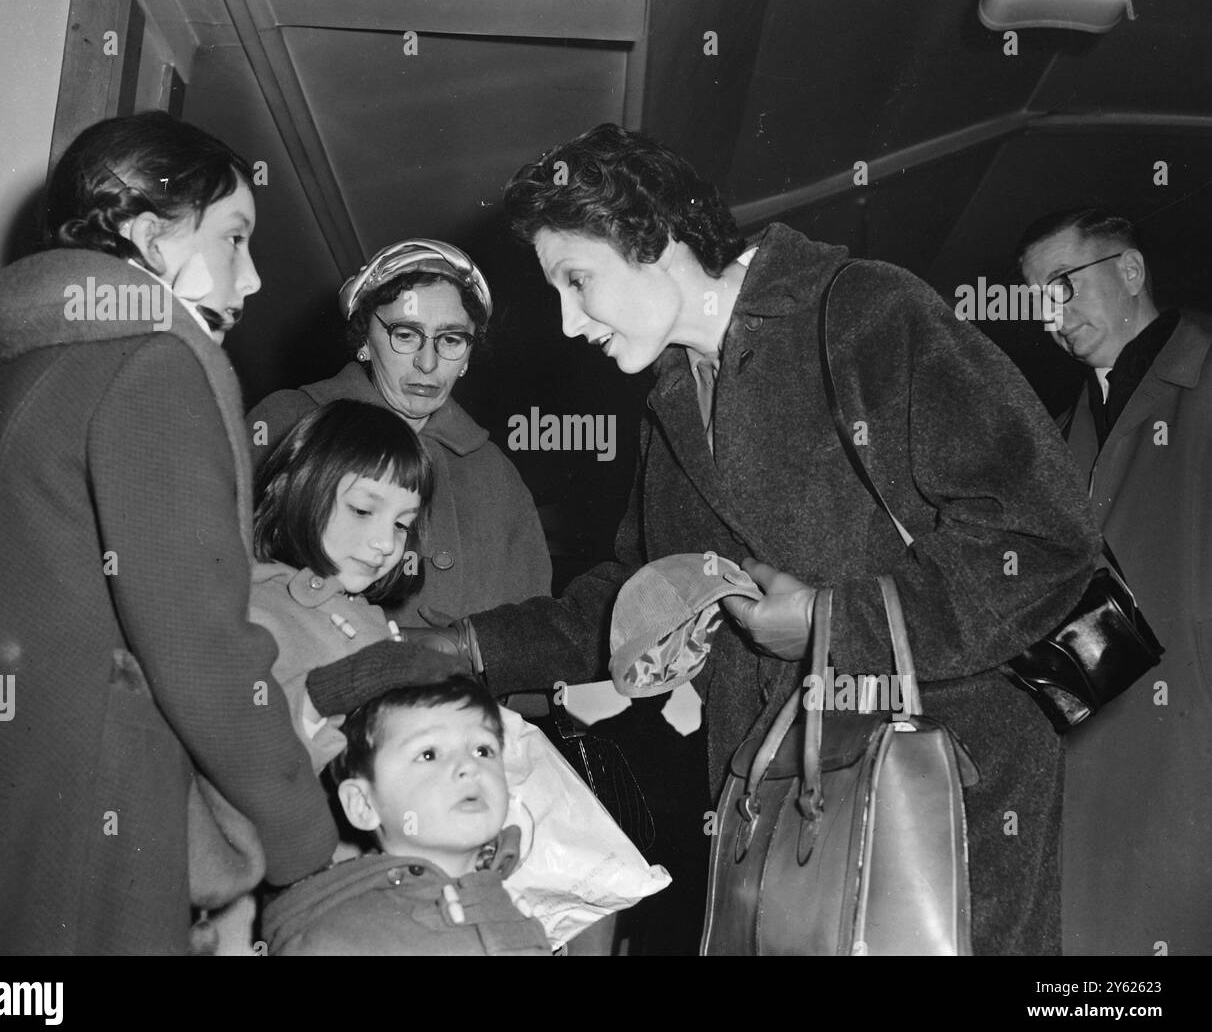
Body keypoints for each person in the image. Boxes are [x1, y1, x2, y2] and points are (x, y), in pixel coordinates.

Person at [421, 123, 1100, 954]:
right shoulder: (675, 400)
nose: (568, 322)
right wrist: (459, 648)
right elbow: (629, 595)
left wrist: (830, 621)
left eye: (577, 280)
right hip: (780, 804)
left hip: (936, 793)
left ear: (654, 237)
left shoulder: (863, 314)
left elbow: (1044, 533)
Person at [0, 111, 340, 954]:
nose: (251, 280)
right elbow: (202, 648)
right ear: (149, 234)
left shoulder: (16, 378)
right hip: (78, 811)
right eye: (234, 239)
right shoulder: (150, 369)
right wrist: (304, 835)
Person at [1018, 208, 1212, 955]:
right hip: (1098, 753)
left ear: (1130, 272)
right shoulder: (1064, 427)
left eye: (1061, 287)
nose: (1048, 318)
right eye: (1036, 298)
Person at [246, 239, 552, 625]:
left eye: (451, 340)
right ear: (363, 340)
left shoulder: (497, 475)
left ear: (468, 357)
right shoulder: (285, 419)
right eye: (406, 335)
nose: (428, 362)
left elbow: (528, 631)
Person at [261, 671, 553, 957]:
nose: (469, 766)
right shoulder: (341, 931)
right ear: (363, 804)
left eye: (483, 750)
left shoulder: (506, 905)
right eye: (428, 754)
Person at [251, 399, 436, 773]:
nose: (386, 543)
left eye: (402, 524)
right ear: (291, 490)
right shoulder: (255, 613)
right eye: (363, 511)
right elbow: (249, 755)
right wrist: (324, 694)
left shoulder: (369, 618)